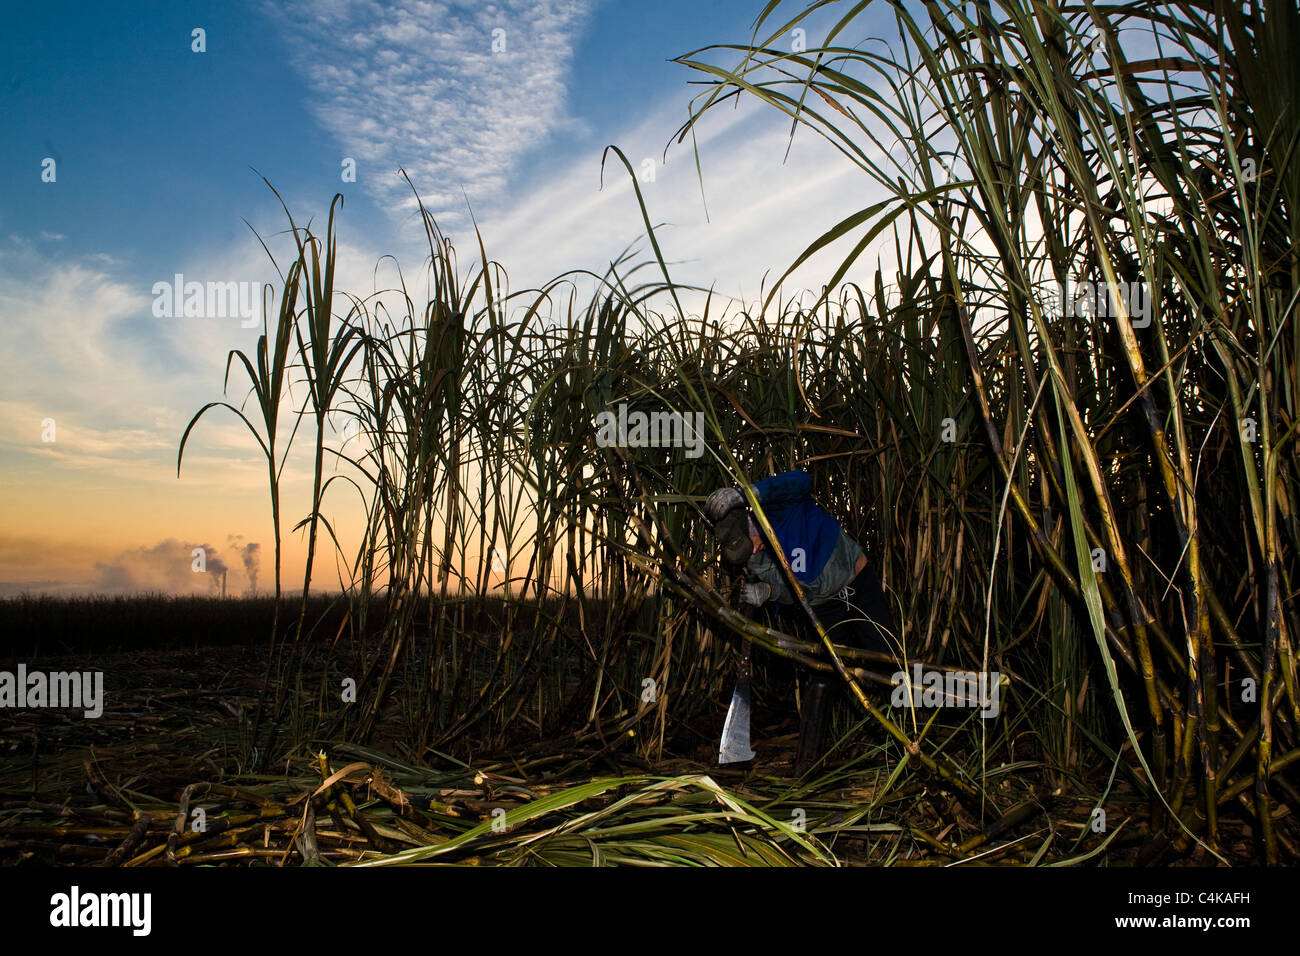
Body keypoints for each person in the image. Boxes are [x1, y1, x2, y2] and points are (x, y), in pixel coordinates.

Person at [705, 469, 895, 775]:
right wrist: (769, 592)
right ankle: (807, 767)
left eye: (750, 544)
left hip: (858, 585)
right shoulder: (754, 558)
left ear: (748, 524)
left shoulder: (775, 508)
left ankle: (903, 742)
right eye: (745, 553)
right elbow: (796, 592)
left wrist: (746, 493)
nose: (754, 552)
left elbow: (803, 480)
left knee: (887, 659)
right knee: (821, 676)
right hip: (824, 608)